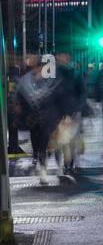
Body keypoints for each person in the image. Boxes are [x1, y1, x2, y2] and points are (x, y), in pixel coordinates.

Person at [15, 56, 63, 185]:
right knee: (37, 144)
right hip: (33, 120)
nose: (41, 70)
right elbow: (19, 99)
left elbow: (57, 98)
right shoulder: (26, 82)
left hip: (48, 119)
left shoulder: (50, 81)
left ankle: (46, 170)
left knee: (47, 144)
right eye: (39, 67)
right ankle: (40, 164)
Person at [53, 52, 86, 178]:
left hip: (72, 113)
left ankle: (68, 165)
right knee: (59, 141)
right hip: (58, 113)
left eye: (65, 56)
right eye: (60, 56)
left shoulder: (75, 74)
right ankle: (63, 164)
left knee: (70, 140)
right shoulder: (53, 73)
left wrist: (76, 109)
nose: (62, 59)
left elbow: (82, 93)